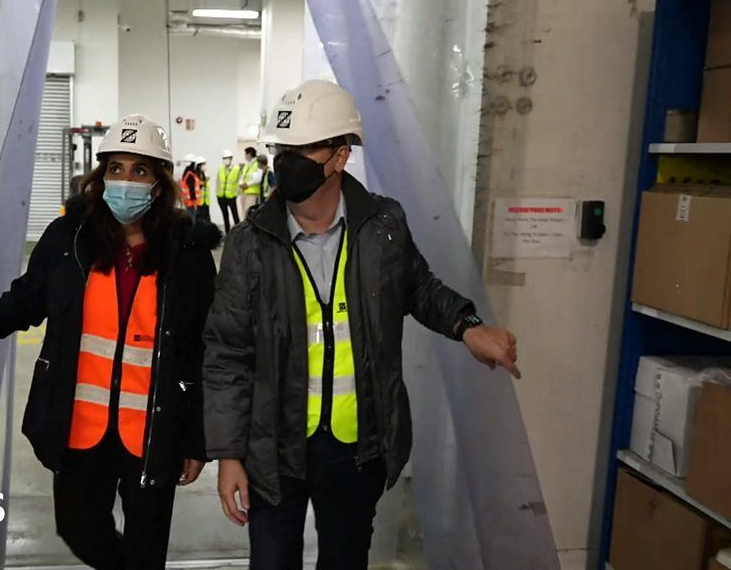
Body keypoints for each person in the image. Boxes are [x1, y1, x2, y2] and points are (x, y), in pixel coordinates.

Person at [202, 80, 520, 569]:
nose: (288, 160)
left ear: (340, 156)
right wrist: (227, 455)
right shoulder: (250, 243)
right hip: (274, 446)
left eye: (304, 148)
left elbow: (419, 287)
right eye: (281, 149)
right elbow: (226, 353)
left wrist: (468, 325)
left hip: (356, 448)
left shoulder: (383, 227)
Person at [0, 114, 221, 570]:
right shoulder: (70, 239)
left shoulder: (189, 255)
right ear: (100, 177)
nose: (126, 180)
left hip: (153, 432)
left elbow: (200, 351)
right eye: (115, 168)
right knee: (78, 528)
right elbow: (27, 297)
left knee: (147, 547)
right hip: (82, 428)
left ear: (159, 183)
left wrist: (198, 440)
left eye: (140, 170)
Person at [216, 150, 241, 234]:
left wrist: (237, 194)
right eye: (224, 158)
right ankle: (227, 233)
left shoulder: (237, 169)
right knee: (225, 216)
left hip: (231, 197)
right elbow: (218, 182)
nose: (225, 160)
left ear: (231, 159)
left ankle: (238, 233)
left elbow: (239, 182)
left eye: (227, 158)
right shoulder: (220, 169)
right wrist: (217, 194)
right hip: (221, 197)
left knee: (235, 216)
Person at [238, 146, 261, 218]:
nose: (245, 156)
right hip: (244, 192)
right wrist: (241, 183)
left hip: (252, 192)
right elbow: (243, 176)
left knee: (249, 212)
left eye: (245, 154)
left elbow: (258, 178)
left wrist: (247, 184)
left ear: (249, 154)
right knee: (244, 211)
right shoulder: (247, 164)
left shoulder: (257, 164)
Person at [195, 155, 213, 223]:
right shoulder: (196, 175)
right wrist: (204, 182)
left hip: (206, 201)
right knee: (200, 220)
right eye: (203, 164)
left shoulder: (204, 174)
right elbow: (198, 186)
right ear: (199, 165)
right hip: (199, 202)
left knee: (207, 219)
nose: (205, 166)